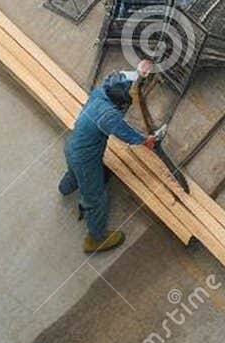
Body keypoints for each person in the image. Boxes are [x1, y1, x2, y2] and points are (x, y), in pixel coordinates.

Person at [57, 63, 155, 253]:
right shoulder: (110, 116)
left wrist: (139, 73)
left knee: (74, 170)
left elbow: (120, 78)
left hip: (72, 146)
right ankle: (96, 239)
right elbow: (125, 133)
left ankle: (66, 187)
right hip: (86, 159)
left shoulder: (101, 93)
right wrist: (145, 141)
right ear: (121, 105)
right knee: (96, 198)